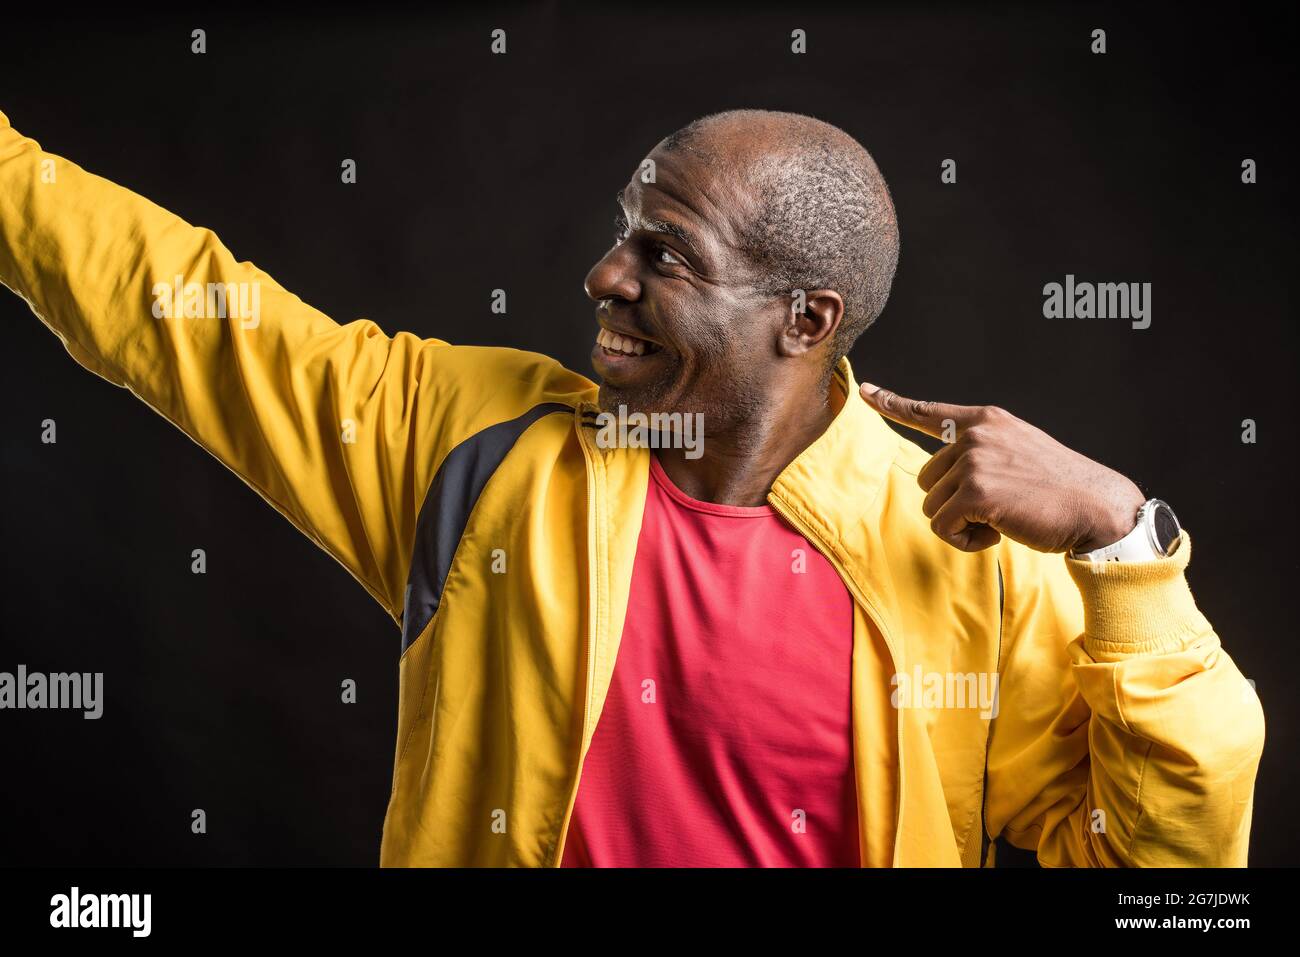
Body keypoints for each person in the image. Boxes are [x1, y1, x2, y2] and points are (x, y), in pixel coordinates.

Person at [0, 106, 1265, 867]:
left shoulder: (969, 553)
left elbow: (1167, 875)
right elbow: (180, 310)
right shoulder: (476, 444)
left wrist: (1119, 544)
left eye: (664, 254)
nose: (605, 276)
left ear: (806, 317)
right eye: (623, 228)